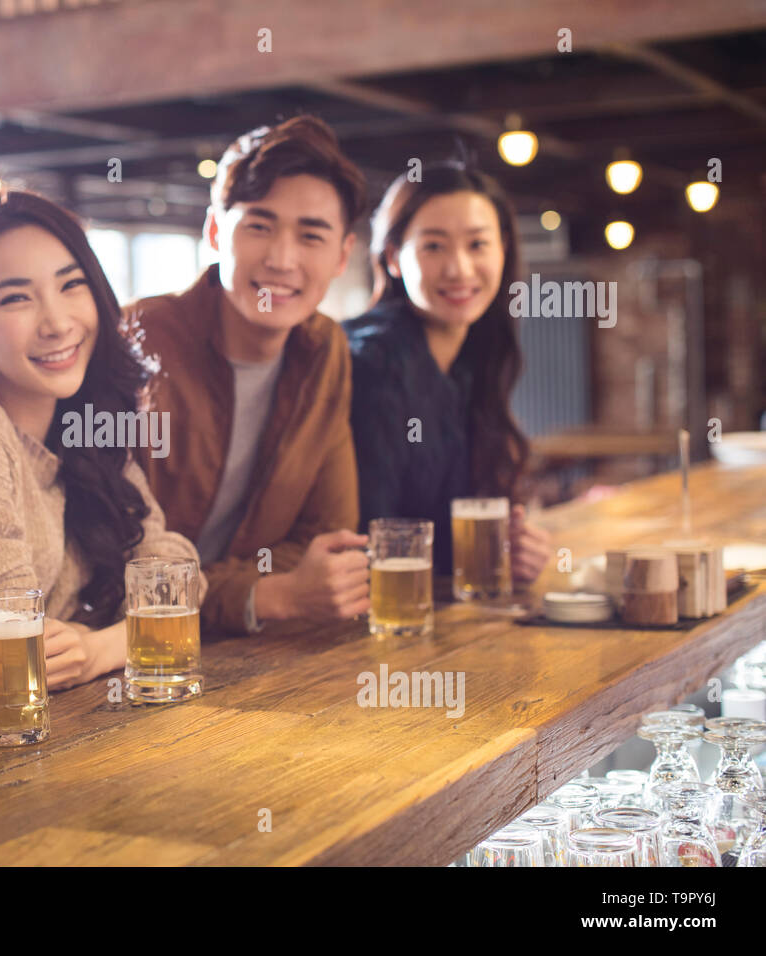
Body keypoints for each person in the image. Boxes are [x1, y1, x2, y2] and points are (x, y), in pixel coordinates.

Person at [0, 189, 201, 690]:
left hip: (85, 729)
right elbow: (6, 649)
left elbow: (181, 587)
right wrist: (123, 642)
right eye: (17, 298)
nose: (58, 323)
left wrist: (96, 650)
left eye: (71, 286)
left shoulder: (89, 428)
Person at [127, 115, 369, 636]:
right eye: (259, 226)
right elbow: (115, 563)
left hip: (245, 653)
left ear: (342, 256)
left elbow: (324, 540)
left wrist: (255, 594)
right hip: (128, 656)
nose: (282, 260)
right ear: (216, 231)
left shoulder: (325, 349)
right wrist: (267, 594)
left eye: (311, 235)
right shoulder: (139, 340)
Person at [343, 160, 552, 583]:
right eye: (434, 247)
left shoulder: (475, 358)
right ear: (393, 258)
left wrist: (512, 550)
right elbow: (372, 540)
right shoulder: (371, 361)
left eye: (477, 245)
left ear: (504, 249)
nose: (459, 268)